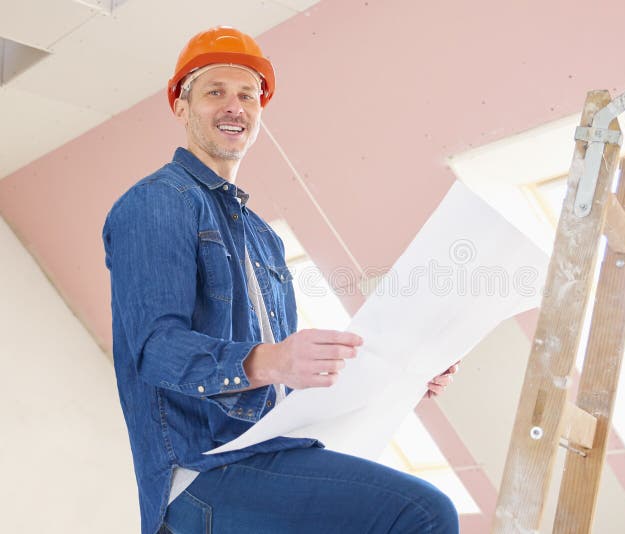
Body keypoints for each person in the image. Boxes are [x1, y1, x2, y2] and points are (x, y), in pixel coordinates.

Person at [102, 26, 460, 534]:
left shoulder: (261, 237)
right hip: (203, 472)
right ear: (181, 107)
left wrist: (401, 378)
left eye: (247, 95)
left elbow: (283, 383)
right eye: (215, 92)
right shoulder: (158, 201)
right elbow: (156, 350)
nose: (234, 107)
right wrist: (272, 360)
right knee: (421, 513)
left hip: (265, 452)